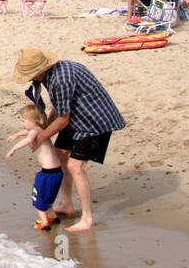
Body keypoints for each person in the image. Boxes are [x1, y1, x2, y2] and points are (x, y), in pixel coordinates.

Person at [13, 48, 126, 233]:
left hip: (94, 121)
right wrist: (44, 129)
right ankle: (66, 203)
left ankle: (87, 218)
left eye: (30, 75)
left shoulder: (60, 80)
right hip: (76, 115)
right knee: (60, 154)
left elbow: (63, 119)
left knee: (75, 166)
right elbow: (59, 107)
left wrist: (41, 137)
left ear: (40, 71)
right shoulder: (50, 76)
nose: (29, 79)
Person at [5, 104, 65, 231]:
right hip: (57, 171)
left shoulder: (34, 132)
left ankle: (44, 223)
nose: (22, 123)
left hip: (47, 173)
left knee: (38, 199)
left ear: (33, 121)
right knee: (48, 197)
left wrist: (13, 149)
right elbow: (28, 132)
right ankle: (52, 217)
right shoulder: (41, 129)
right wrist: (17, 134)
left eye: (23, 121)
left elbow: (29, 138)